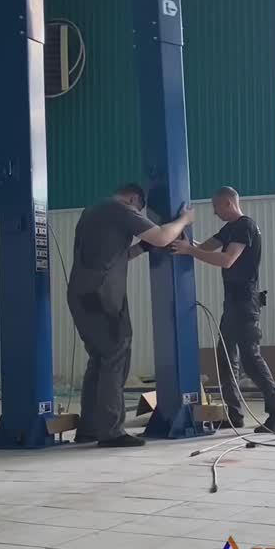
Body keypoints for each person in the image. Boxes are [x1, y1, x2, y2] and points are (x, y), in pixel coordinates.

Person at [67, 182, 196, 448]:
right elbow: (163, 237)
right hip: (103, 295)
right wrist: (184, 220)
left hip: (81, 295)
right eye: (139, 210)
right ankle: (111, 432)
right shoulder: (121, 209)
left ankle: (89, 428)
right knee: (116, 356)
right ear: (134, 199)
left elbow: (117, 255)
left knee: (99, 359)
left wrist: (143, 248)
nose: (138, 215)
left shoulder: (91, 212)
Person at [171, 187, 275, 433]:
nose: (215, 213)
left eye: (216, 207)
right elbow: (205, 247)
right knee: (225, 359)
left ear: (228, 203)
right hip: (233, 304)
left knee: (251, 359)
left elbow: (227, 260)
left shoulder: (245, 226)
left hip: (245, 303)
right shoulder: (229, 229)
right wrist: (182, 235)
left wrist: (190, 250)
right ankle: (234, 415)